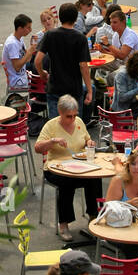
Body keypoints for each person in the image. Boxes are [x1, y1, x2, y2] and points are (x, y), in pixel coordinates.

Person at [34, 95, 101, 240]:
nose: (72, 119)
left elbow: (87, 138)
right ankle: (63, 224)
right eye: (68, 116)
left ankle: (93, 216)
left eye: (74, 115)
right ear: (60, 112)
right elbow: (37, 148)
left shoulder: (79, 122)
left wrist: (89, 143)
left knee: (95, 177)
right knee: (67, 181)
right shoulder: (51, 125)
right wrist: (53, 141)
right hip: (55, 167)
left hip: (78, 165)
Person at [34, 3, 93, 119]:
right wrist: (89, 90)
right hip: (74, 89)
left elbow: (37, 61)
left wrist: (42, 73)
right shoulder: (81, 38)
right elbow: (83, 67)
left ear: (59, 18)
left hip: (55, 88)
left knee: (55, 128)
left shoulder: (50, 35)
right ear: (76, 18)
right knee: (74, 127)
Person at [1, 13, 35, 94]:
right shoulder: (12, 43)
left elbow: (28, 58)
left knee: (38, 64)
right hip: (16, 80)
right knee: (41, 84)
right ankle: (35, 104)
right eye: (28, 27)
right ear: (20, 28)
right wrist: (29, 52)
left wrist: (32, 47)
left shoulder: (20, 39)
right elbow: (17, 67)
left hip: (21, 74)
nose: (30, 30)